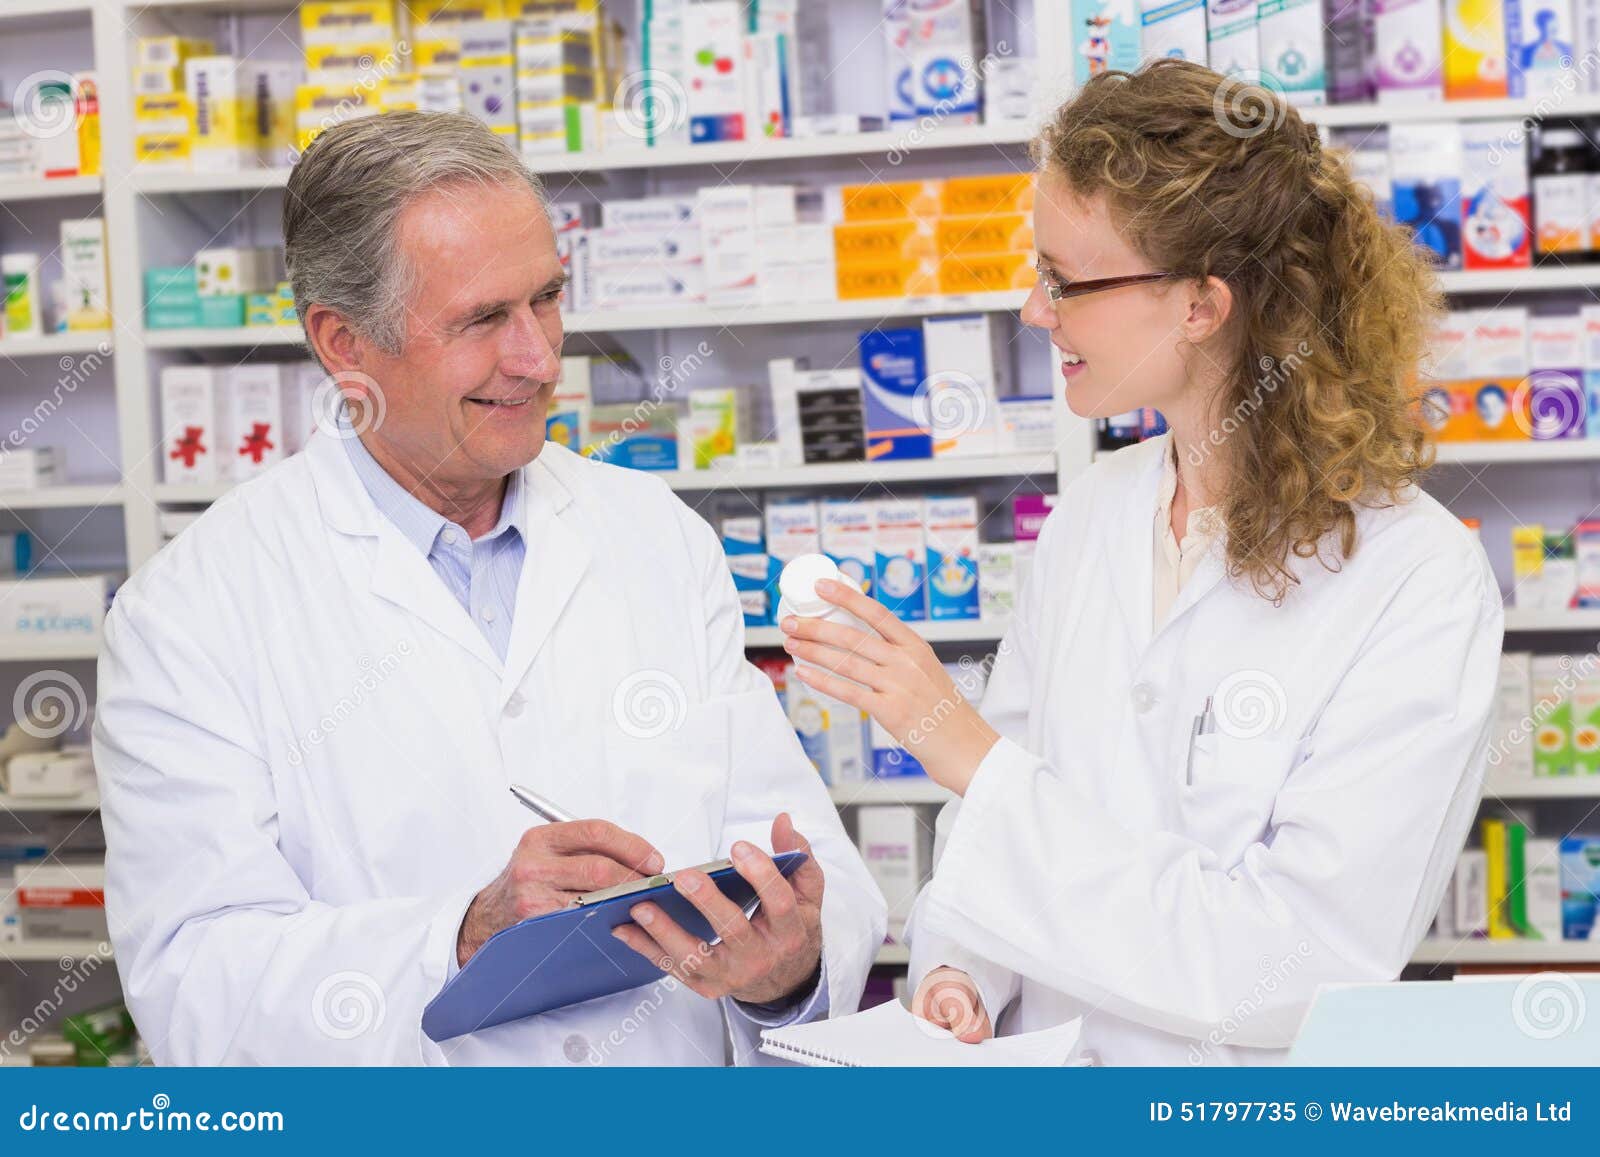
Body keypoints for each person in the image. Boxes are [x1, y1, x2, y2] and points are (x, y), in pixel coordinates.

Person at [93, 111, 885, 1066]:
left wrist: (787, 970)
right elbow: (195, 986)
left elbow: (801, 860)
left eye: (545, 299)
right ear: (344, 343)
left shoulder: (658, 537)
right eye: (481, 320)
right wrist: (465, 937)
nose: (539, 357)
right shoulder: (190, 612)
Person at [779, 60, 1503, 1065]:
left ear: (1201, 304)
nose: (1035, 310)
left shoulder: (1416, 580)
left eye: (1064, 280)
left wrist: (962, 747)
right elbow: (1000, 827)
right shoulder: (1093, 513)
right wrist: (963, 974)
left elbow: (1295, 965)